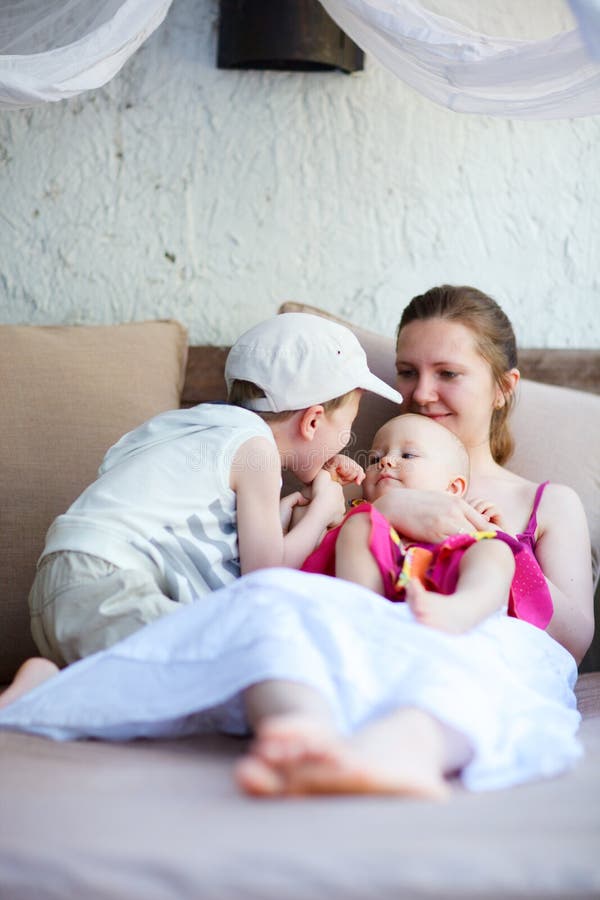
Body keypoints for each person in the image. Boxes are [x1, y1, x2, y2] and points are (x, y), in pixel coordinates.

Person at [0, 287, 593, 800]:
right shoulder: (356, 486)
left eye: (449, 374)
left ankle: (392, 749)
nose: (419, 393)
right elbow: (282, 588)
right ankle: (308, 734)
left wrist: (489, 543)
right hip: (354, 649)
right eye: (407, 373)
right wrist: (375, 512)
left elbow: (567, 640)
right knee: (260, 622)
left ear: (502, 388)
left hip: (465, 642)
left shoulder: (541, 502)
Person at [23, 312, 400, 668]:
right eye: (347, 428)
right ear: (313, 420)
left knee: (143, 694)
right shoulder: (257, 450)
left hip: (61, 582)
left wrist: (280, 513)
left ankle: (44, 685)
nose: (348, 440)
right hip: (108, 581)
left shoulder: (197, 428)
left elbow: (206, 539)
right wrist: (322, 511)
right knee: (238, 667)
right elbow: (264, 576)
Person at [302, 413, 553, 635]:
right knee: (358, 526)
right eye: (374, 458)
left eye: (408, 455)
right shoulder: (355, 511)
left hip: (444, 584)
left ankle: (464, 608)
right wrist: (327, 483)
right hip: (371, 604)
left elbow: (524, 581)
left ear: (453, 488)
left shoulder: (465, 519)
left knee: (495, 550)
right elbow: (312, 550)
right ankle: (366, 617)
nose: (385, 461)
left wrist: (498, 533)